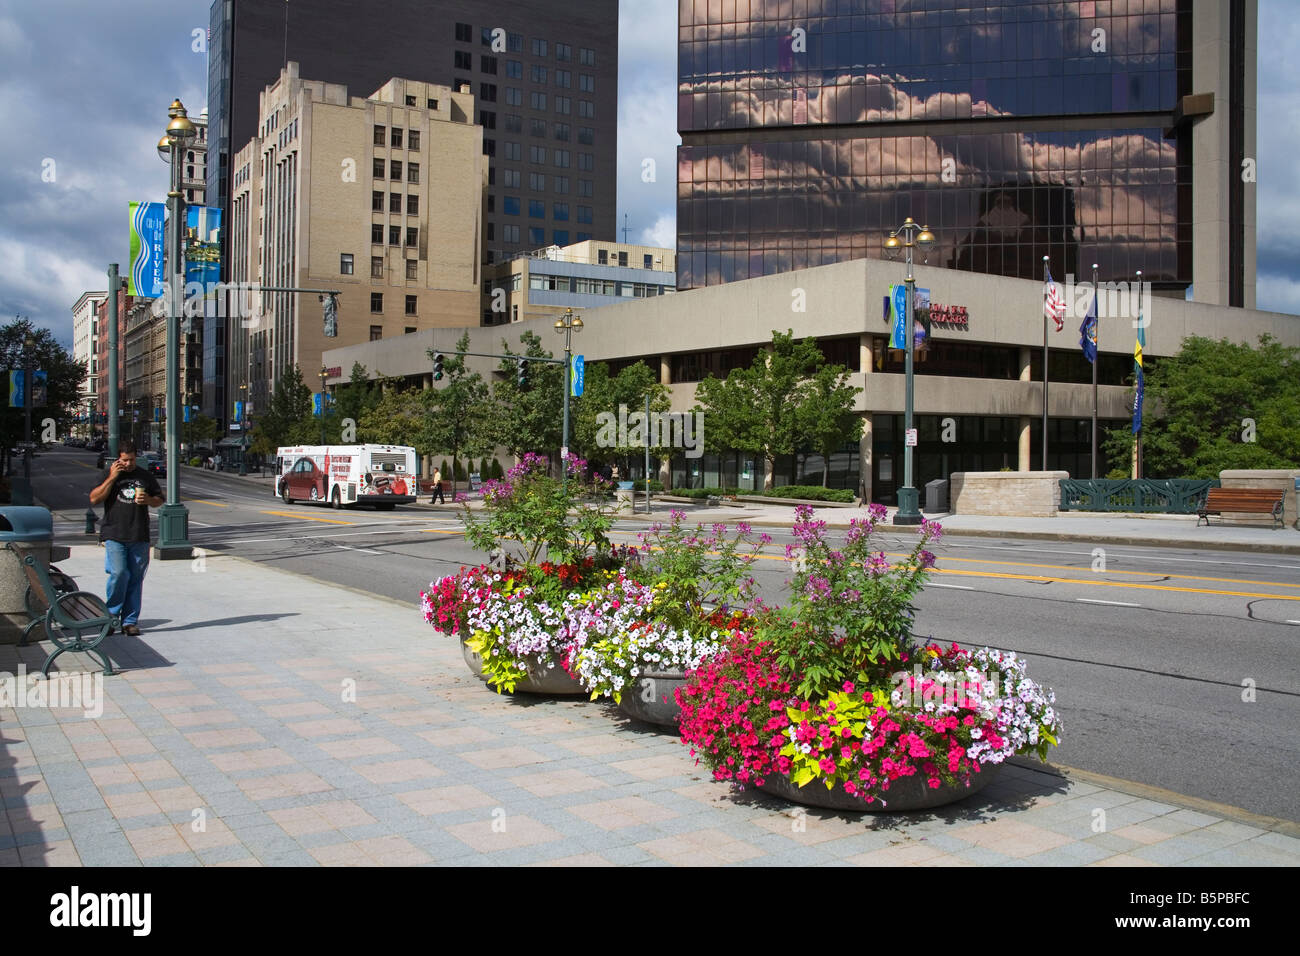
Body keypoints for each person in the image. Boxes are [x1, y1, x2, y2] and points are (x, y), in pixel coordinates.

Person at [88, 440, 163, 636]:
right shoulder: (108, 474)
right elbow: (94, 498)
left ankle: (129, 622)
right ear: (118, 459)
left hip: (139, 533)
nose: (128, 464)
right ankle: (111, 616)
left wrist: (148, 500)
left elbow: (159, 500)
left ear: (136, 457)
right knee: (119, 574)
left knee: (136, 579)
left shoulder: (144, 476)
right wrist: (113, 477)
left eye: (131, 460)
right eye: (124, 460)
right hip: (114, 533)